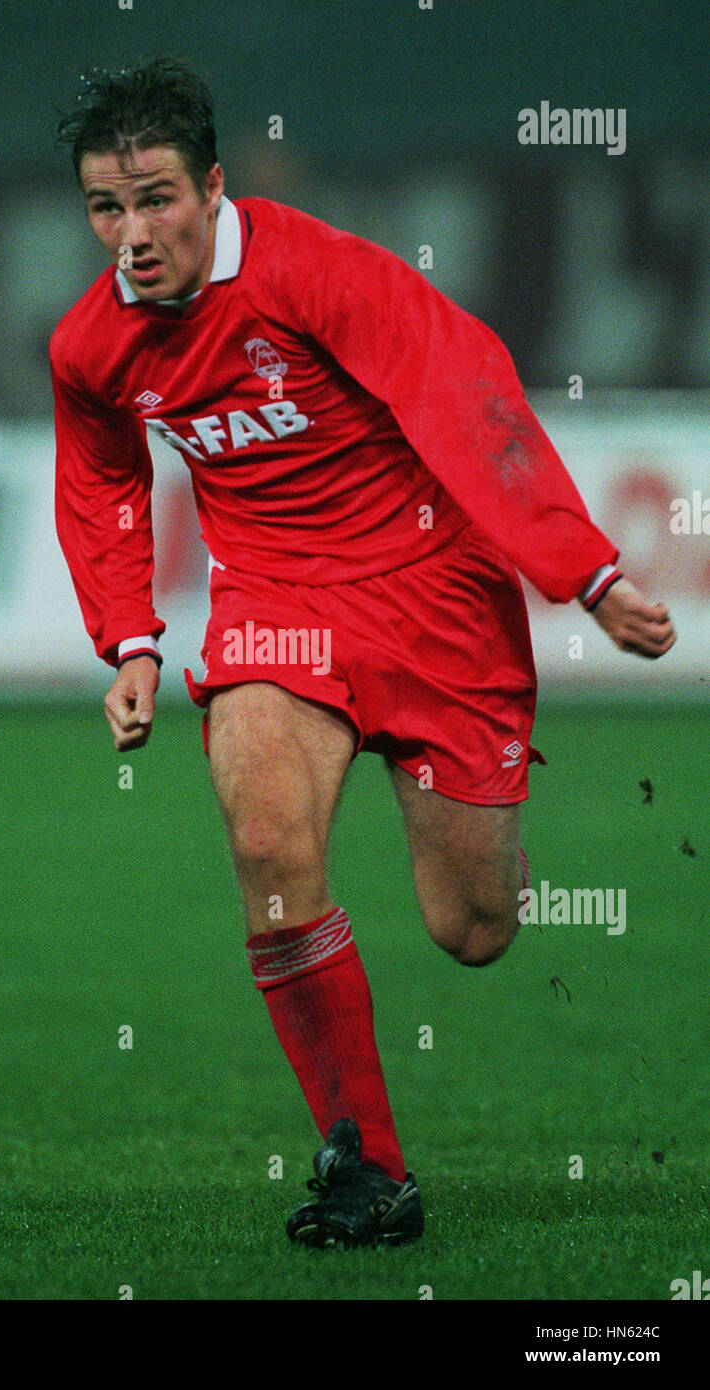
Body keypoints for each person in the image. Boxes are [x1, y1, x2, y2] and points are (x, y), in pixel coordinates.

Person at [50, 57, 676, 1249]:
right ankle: (362, 1166)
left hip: (434, 595)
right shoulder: (91, 346)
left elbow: (464, 394)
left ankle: (486, 838)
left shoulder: (314, 274)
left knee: (472, 927)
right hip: (274, 603)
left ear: (214, 187)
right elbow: (100, 480)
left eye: (156, 200)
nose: (131, 235)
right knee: (265, 843)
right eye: (105, 208)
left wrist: (579, 570)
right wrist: (127, 636)